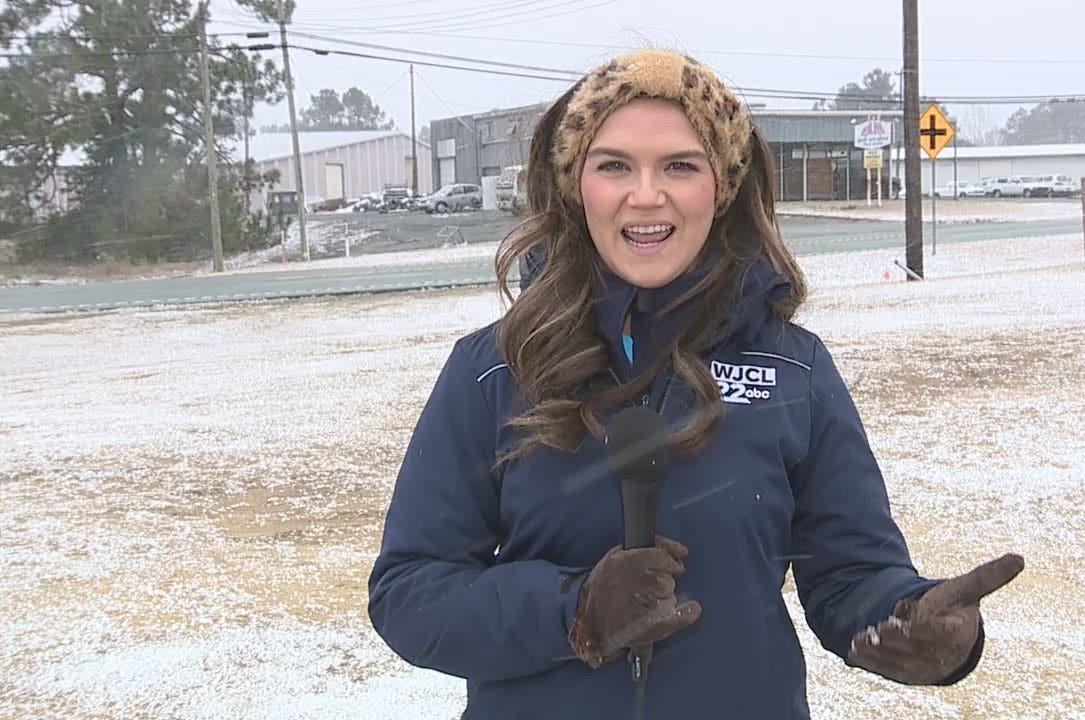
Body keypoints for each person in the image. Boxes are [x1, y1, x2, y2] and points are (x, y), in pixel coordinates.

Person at [368, 50, 1024, 719]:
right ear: (575, 185)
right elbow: (410, 592)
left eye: (680, 166)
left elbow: (851, 573)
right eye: (614, 166)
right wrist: (573, 612)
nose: (646, 195)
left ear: (722, 186)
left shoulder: (793, 370)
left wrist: (913, 623)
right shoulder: (495, 369)